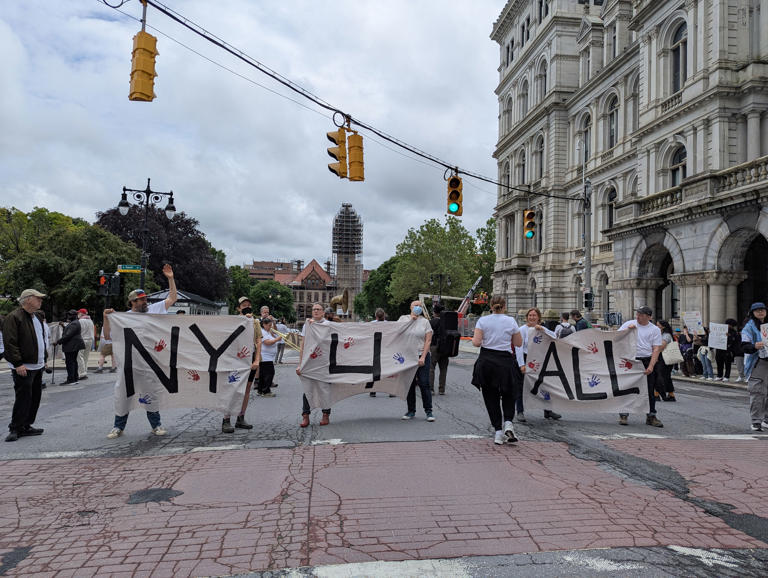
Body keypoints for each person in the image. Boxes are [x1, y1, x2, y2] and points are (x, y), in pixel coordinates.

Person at [103, 264, 177, 439]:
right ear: (132, 302)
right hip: (129, 364)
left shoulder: (154, 310)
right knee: (123, 395)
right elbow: (107, 336)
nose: (145, 302)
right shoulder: (124, 317)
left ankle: (156, 425)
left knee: (151, 394)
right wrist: (106, 318)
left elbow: (172, 298)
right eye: (141, 300)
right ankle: (118, 426)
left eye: (145, 299)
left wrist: (170, 279)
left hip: (149, 364)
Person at [470, 295, 523, 445]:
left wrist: (477, 338)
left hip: (487, 360)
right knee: (508, 392)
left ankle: (498, 432)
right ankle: (508, 422)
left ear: (490, 306)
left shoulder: (483, 321)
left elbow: (476, 343)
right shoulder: (511, 321)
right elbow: (518, 343)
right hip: (505, 360)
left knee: (490, 396)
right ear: (504, 306)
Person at [4, 289, 48, 442]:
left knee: (35, 397)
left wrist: (44, 358)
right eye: (38, 298)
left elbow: (41, 339)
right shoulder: (14, 317)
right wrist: (18, 363)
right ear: (28, 299)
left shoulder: (36, 316)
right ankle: (15, 427)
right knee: (23, 397)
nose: (40, 301)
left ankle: (26, 425)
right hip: (24, 366)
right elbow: (10, 343)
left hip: (37, 365)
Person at [617, 306, 663, 427]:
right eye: (637, 314)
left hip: (646, 359)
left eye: (641, 315)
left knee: (649, 389)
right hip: (631, 359)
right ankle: (623, 414)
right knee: (627, 387)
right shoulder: (629, 324)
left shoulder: (654, 330)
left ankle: (651, 415)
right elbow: (616, 338)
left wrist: (651, 366)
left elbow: (656, 349)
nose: (638, 317)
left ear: (649, 317)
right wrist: (627, 331)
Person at [515, 307, 561, 422]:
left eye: (534, 315)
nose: (532, 317)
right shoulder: (522, 330)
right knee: (521, 386)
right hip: (526, 358)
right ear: (527, 317)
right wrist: (521, 364)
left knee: (544, 385)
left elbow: (554, 337)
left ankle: (548, 410)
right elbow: (519, 347)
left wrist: (543, 330)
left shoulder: (542, 328)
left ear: (538, 317)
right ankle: (520, 411)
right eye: (530, 315)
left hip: (539, 360)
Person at [222, 297, 260, 433]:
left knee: (246, 389)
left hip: (249, 359)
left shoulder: (255, 322)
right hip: (235, 359)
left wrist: (257, 360)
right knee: (232, 388)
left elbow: (258, 341)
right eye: (244, 305)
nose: (247, 307)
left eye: (249, 305)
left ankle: (241, 417)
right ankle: (226, 419)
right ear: (239, 308)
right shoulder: (234, 321)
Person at [296, 303, 332, 427]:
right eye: (314, 309)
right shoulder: (307, 325)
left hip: (323, 362)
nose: (316, 311)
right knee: (308, 389)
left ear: (323, 312)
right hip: (309, 362)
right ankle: (305, 415)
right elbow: (303, 344)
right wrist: (300, 364)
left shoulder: (328, 325)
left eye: (318, 309)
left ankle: (325, 414)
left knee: (324, 389)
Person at [399, 300, 435, 422]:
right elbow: (397, 332)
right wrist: (411, 321)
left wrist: (423, 357)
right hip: (407, 357)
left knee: (424, 383)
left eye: (420, 306)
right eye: (416, 305)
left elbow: (428, 340)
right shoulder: (403, 319)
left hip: (421, 355)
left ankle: (429, 411)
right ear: (410, 307)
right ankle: (411, 410)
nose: (418, 307)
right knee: (410, 384)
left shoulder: (425, 322)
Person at [741, 302, 768, 432]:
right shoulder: (749, 327)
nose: (760, 312)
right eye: (757, 310)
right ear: (752, 313)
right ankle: (756, 421)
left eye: (762, 310)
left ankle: (767, 419)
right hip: (758, 362)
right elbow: (744, 346)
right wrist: (754, 346)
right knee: (757, 392)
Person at [56, 310, 85, 385]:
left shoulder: (74, 323)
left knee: (70, 362)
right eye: (68, 315)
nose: (68, 316)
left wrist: (58, 342)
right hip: (73, 345)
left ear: (74, 316)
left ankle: (71, 379)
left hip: (72, 345)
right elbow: (69, 331)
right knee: (73, 361)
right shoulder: (74, 323)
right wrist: (63, 326)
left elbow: (68, 335)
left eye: (70, 315)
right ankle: (75, 378)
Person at [429, 303, 450, 396]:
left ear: (434, 312)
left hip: (434, 346)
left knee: (431, 368)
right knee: (443, 368)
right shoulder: (447, 321)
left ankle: (431, 389)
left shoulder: (431, 322)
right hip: (445, 347)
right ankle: (442, 389)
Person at [258, 317, 281, 397]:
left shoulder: (267, 332)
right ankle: (266, 391)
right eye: (269, 325)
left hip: (267, 357)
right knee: (269, 373)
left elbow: (273, 336)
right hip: (265, 357)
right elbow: (267, 342)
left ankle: (261, 390)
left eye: (271, 325)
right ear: (264, 325)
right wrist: (277, 339)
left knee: (263, 374)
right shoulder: (263, 332)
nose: (270, 327)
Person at [654, 320, 676, 402]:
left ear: (663, 327)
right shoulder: (660, 334)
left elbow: (661, 347)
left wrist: (654, 355)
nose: (656, 327)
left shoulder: (666, 335)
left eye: (658, 325)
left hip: (664, 358)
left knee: (660, 376)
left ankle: (657, 394)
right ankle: (670, 394)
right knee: (664, 376)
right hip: (661, 357)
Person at [76, 308, 94, 380]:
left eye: (78, 313)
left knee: (79, 356)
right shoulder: (90, 321)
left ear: (81, 314)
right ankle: (84, 371)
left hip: (82, 339)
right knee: (86, 357)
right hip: (90, 340)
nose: (78, 314)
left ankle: (82, 373)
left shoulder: (80, 321)